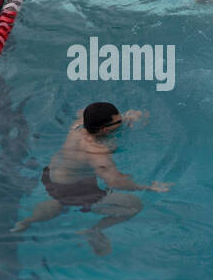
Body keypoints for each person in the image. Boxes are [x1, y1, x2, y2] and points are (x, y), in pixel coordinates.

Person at [12, 102, 170, 256]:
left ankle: (29, 220)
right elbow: (115, 182)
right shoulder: (96, 151)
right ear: (104, 129)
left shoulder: (80, 125)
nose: (121, 119)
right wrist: (148, 187)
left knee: (59, 201)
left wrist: (126, 120)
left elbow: (82, 111)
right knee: (135, 205)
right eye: (118, 120)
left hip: (51, 173)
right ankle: (95, 230)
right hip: (76, 188)